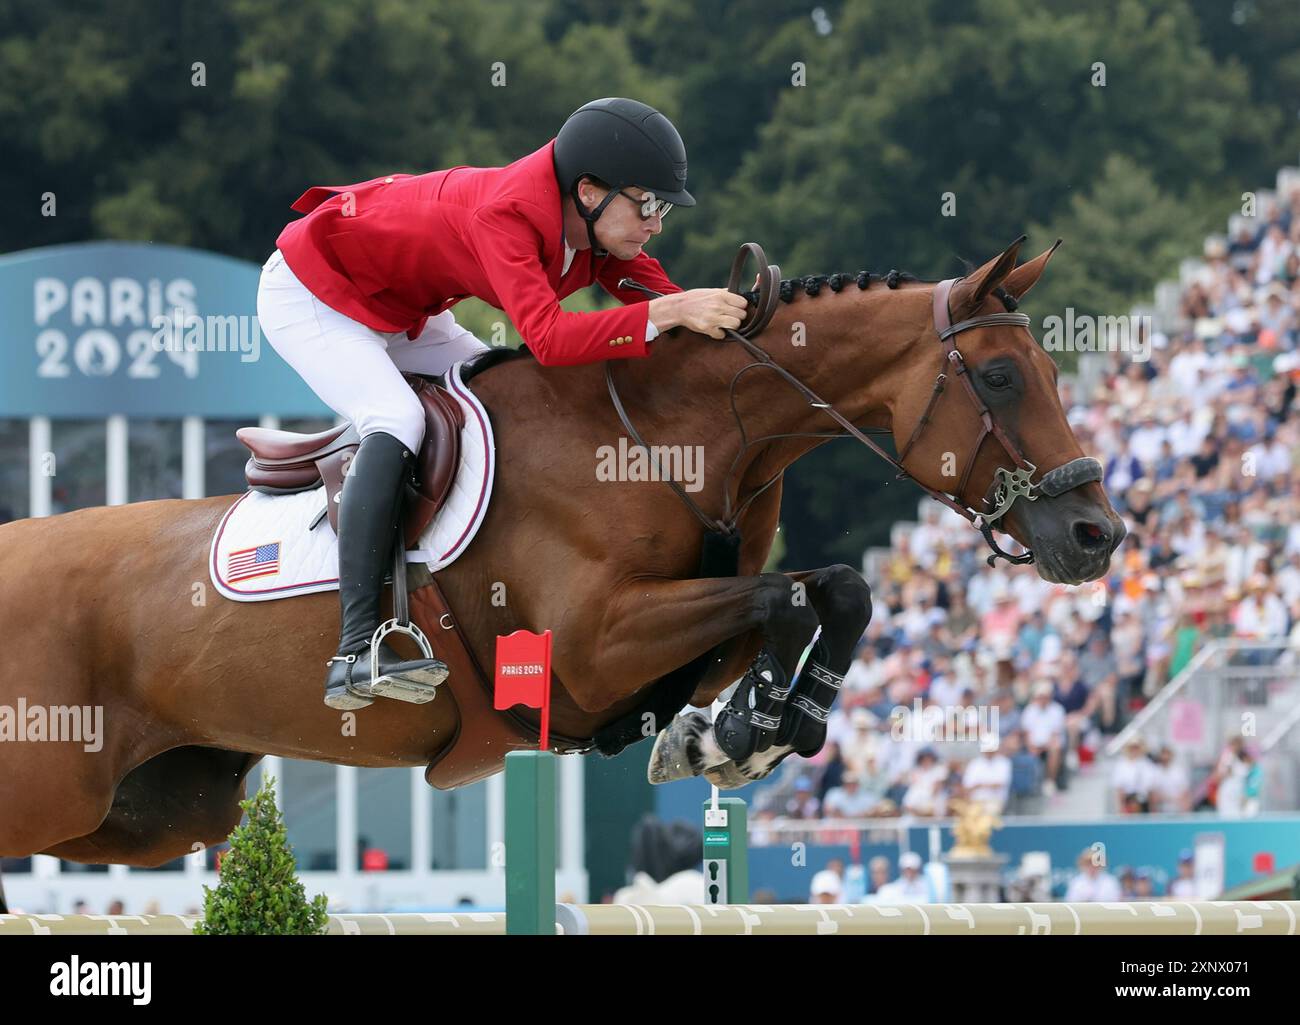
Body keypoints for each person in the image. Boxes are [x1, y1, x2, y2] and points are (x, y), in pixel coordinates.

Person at [261, 97, 749, 709]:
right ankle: (356, 650)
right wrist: (671, 311)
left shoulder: (588, 219)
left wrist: (733, 326)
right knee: (398, 418)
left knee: (502, 393)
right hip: (313, 292)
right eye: (647, 204)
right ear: (591, 190)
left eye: (660, 209)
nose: (655, 222)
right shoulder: (508, 215)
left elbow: (662, 300)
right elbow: (548, 339)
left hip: (402, 308)